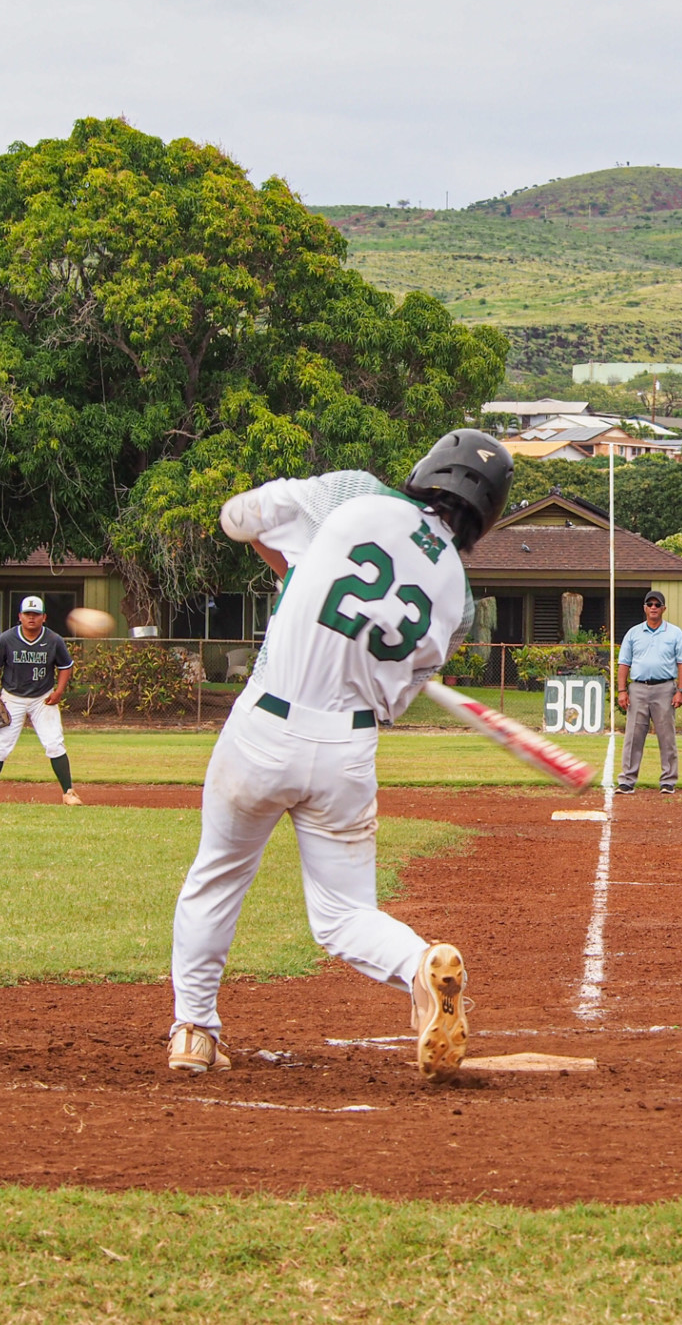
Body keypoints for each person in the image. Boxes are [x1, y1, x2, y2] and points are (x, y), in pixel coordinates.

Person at [164, 430, 514, 1083]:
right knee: (344, 916)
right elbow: (394, 698)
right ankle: (418, 964)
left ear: (429, 467)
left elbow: (237, 518)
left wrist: (296, 564)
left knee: (218, 877)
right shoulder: (459, 600)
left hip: (263, 727)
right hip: (347, 750)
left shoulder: (353, 494)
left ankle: (194, 1031)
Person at [0, 597, 82, 805]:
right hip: (12, 698)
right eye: (27, 614)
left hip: (43, 699)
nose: (31, 618)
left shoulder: (54, 640)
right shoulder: (7, 639)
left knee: (54, 743)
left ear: (44, 617)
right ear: (20, 616)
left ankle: (69, 793)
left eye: (36, 614)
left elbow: (65, 666)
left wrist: (59, 691)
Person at [615, 589, 682, 795]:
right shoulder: (633, 633)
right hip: (638, 688)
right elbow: (624, 663)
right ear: (645, 608)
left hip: (665, 689)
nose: (653, 608)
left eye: (657, 605)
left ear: (664, 608)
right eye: (650, 604)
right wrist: (622, 691)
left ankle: (668, 781)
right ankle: (627, 780)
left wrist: (681, 690)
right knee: (633, 736)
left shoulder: (675, 633)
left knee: (666, 736)